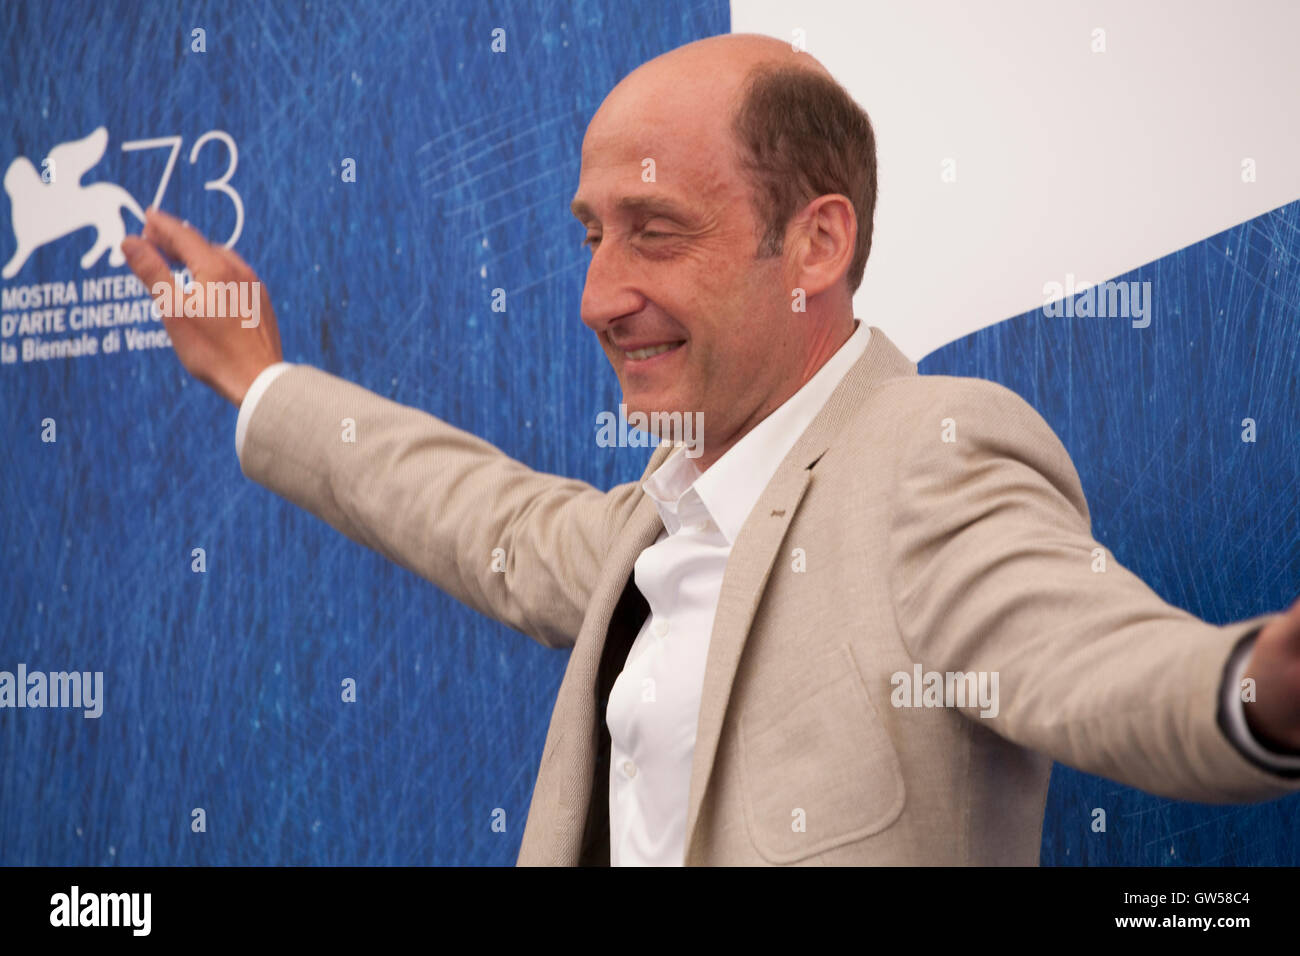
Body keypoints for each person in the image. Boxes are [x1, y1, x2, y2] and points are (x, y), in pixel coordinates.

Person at [120, 33, 1300, 866]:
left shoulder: (927, 455)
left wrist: (1256, 686)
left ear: (814, 244)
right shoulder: (660, 519)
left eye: (656, 231)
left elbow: (1095, 660)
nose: (594, 295)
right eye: (591, 235)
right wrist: (258, 377)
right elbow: (474, 513)